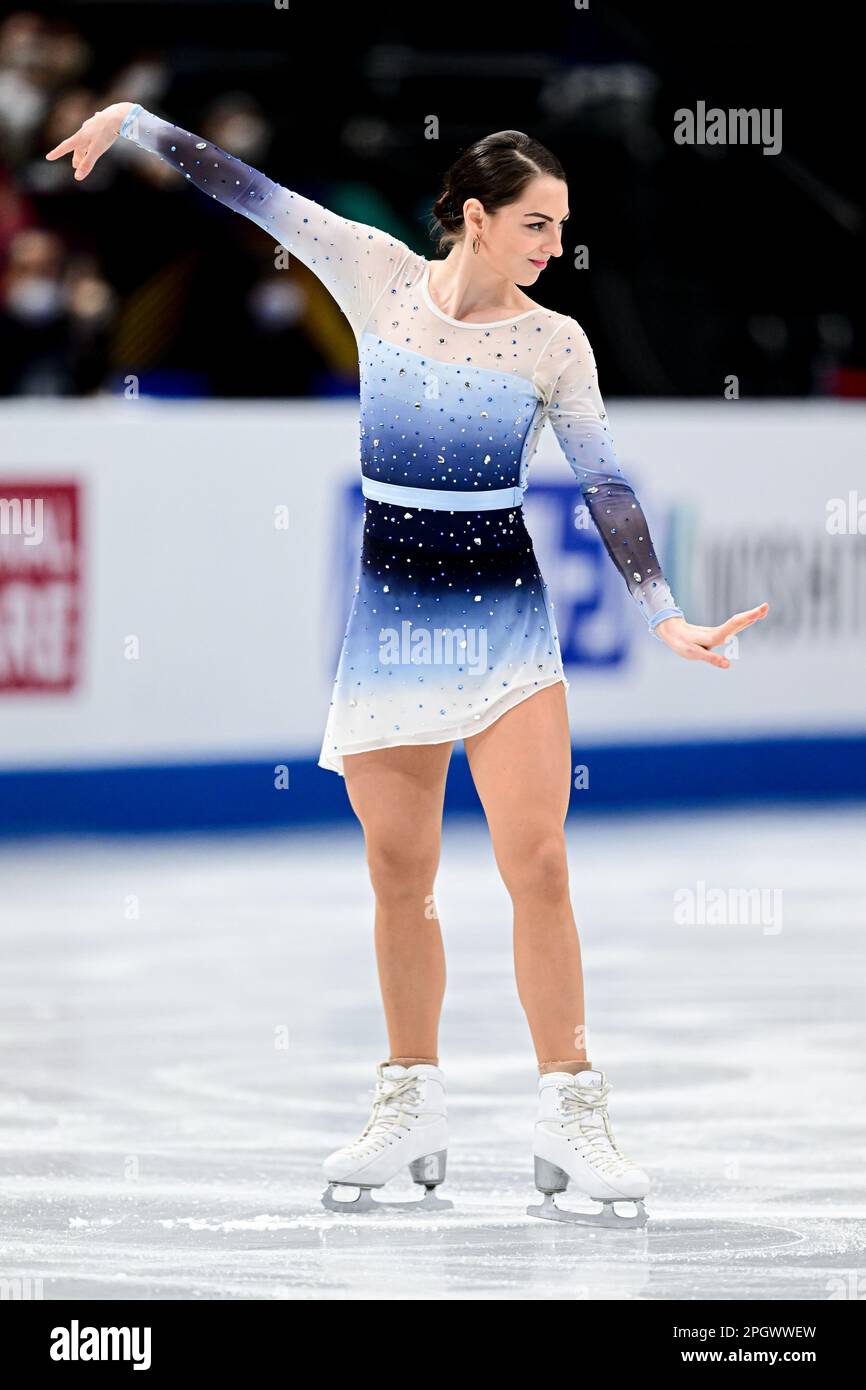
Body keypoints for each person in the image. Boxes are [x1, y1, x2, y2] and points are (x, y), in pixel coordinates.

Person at [47, 102, 768, 1225]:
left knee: (537, 863)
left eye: (560, 229)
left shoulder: (552, 341)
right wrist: (139, 123)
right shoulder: (371, 272)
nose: (550, 248)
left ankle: (570, 1106)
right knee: (400, 876)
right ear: (473, 218)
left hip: (504, 628)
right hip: (390, 625)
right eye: (534, 225)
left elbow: (605, 480)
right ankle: (410, 1101)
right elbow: (253, 192)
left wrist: (662, 610)